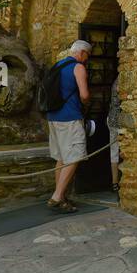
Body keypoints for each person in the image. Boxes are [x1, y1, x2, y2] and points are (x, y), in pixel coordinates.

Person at [45, 40, 93, 213]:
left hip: (53, 117)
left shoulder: (57, 65)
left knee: (62, 158)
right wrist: (86, 103)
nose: (87, 59)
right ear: (81, 53)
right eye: (87, 55)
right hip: (70, 118)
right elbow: (84, 94)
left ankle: (62, 197)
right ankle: (57, 196)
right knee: (75, 156)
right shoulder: (78, 67)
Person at [107, 75, 121, 193]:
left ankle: (115, 182)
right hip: (116, 121)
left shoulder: (117, 79)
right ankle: (115, 182)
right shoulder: (120, 80)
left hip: (112, 119)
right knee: (115, 151)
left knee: (114, 151)